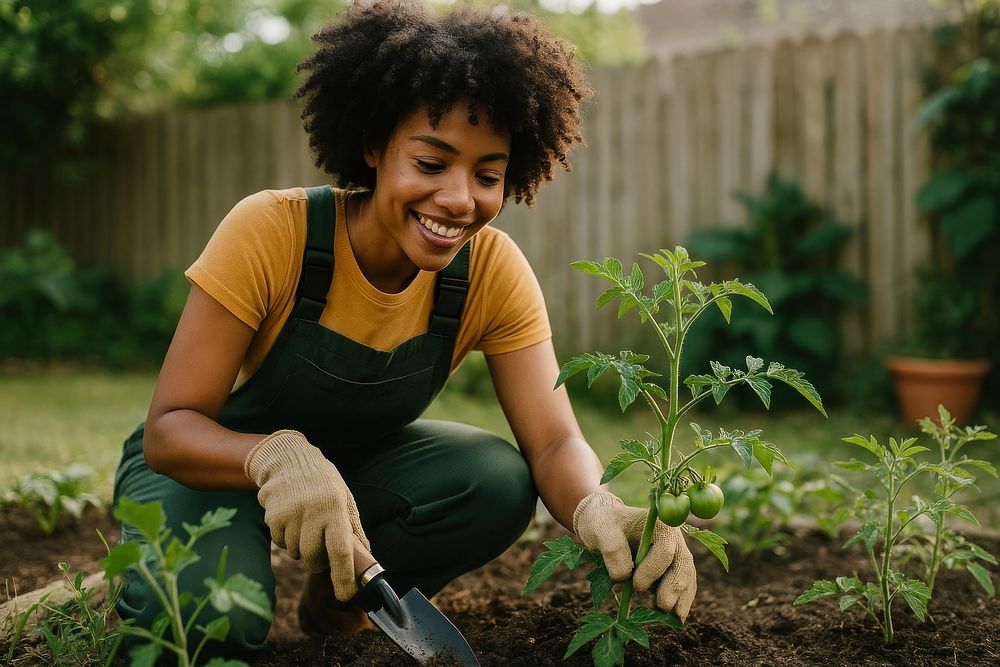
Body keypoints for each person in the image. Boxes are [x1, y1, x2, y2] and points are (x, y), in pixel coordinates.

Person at [112, 0, 697, 657]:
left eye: (487, 175)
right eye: (430, 163)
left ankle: (340, 601)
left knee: (495, 479)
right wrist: (270, 454)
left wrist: (598, 505)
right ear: (373, 147)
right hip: (206, 468)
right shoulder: (274, 233)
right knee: (209, 625)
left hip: (354, 472)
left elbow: (555, 440)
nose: (458, 198)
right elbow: (170, 428)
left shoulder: (490, 272)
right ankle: (126, 578)